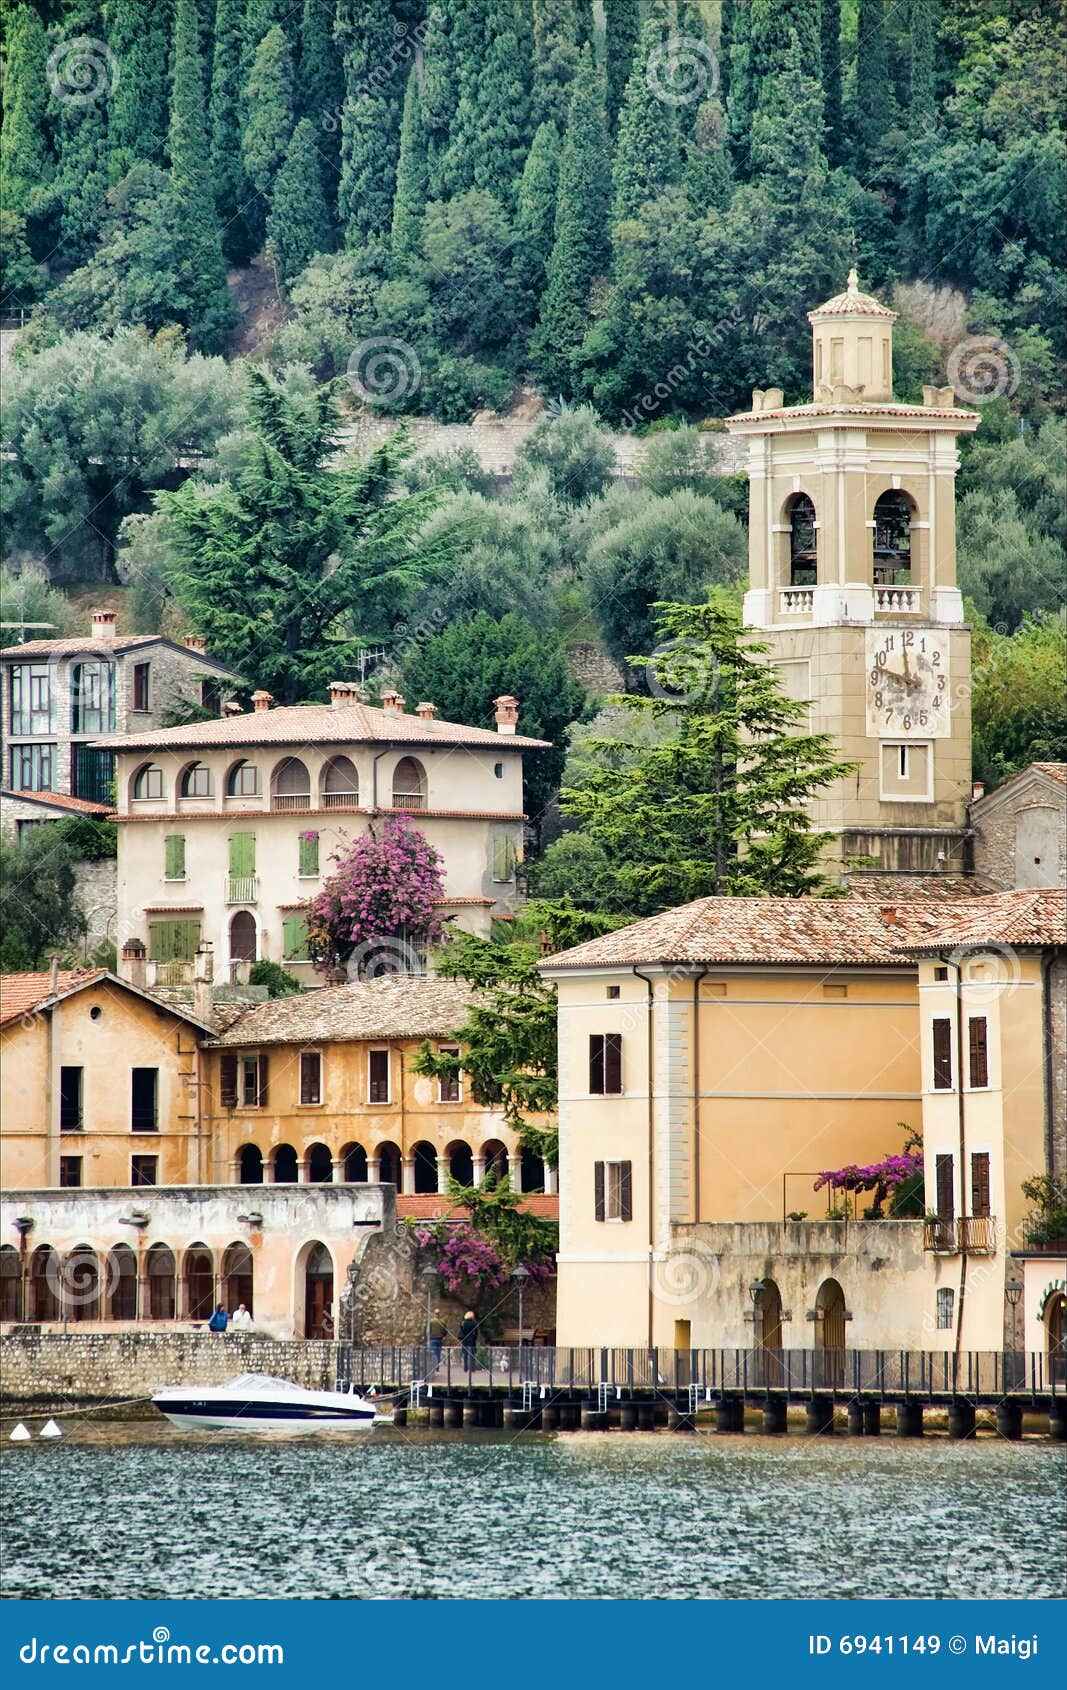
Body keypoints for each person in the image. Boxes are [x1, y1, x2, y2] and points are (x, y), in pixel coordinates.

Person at [458, 1309, 478, 1375]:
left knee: (465, 1355)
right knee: (472, 1354)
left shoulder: (463, 1323)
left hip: (465, 1340)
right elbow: (476, 1333)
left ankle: (465, 1368)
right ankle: (472, 1368)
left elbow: (461, 1332)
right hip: (472, 1340)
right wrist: (474, 1338)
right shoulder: (474, 1323)